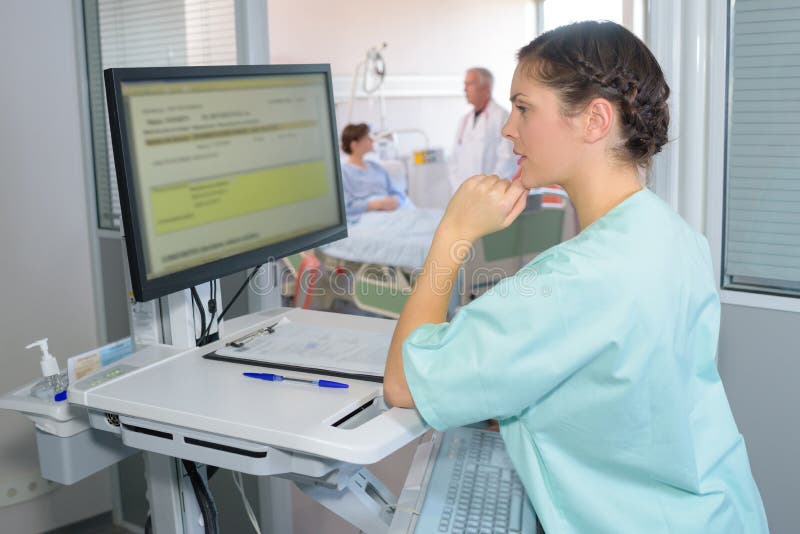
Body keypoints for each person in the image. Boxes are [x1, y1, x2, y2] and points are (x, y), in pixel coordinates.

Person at [384, 21, 768, 534]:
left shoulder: (574, 279)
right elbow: (632, 388)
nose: (507, 128)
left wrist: (452, 232)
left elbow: (403, 384)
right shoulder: (675, 237)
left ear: (594, 120)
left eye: (523, 108)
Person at [448, 67, 517, 192]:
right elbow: (453, 160)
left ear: (486, 88)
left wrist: (487, 189)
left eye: (469, 84)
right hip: (463, 193)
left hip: (490, 195)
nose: (464, 89)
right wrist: (459, 188)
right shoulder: (464, 121)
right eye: (465, 84)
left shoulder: (501, 117)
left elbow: (507, 159)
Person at [340, 123, 411, 222]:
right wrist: (375, 204)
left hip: (394, 211)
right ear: (354, 145)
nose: (372, 140)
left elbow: (396, 192)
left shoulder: (377, 168)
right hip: (367, 218)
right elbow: (345, 207)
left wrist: (396, 201)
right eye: (367, 138)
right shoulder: (343, 172)